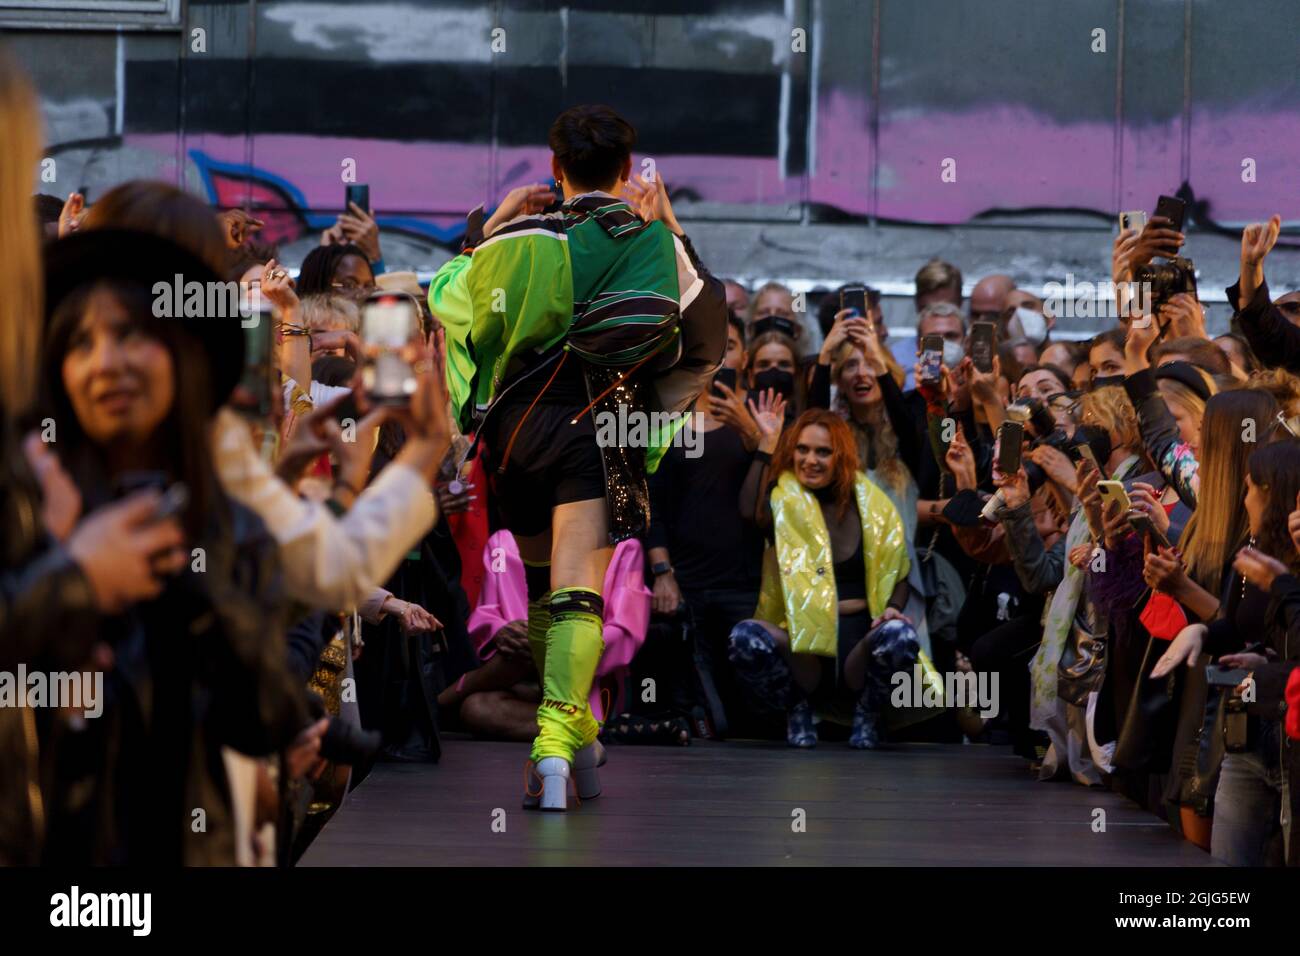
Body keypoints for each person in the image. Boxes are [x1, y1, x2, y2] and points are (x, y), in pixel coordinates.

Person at [428, 104, 727, 810]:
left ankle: (574, 739)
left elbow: (449, 302)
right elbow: (707, 320)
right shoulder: (649, 239)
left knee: (542, 593)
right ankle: (559, 747)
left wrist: (489, 229)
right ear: (628, 171)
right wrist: (673, 226)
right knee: (576, 594)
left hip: (516, 432)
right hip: (601, 424)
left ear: (555, 168)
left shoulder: (516, 241)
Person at [38, 228, 317, 864]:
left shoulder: (229, 517)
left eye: (132, 335)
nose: (107, 362)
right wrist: (71, 577)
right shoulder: (28, 503)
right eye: (82, 341)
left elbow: (259, 713)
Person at [732, 408, 933, 749]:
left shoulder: (871, 502)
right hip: (804, 650)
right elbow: (750, 513)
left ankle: (868, 713)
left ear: (839, 455)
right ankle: (796, 710)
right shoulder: (784, 498)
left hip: (859, 645)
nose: (810, 460)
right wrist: (767, 445)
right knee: (744, 637)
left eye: (822, 451)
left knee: (900, 634)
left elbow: (899, 570)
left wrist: (892, 609)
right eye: (803, 449)